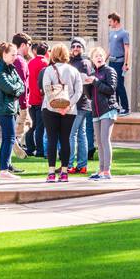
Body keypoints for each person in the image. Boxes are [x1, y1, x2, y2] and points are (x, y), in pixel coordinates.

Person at [40, 43, 83, 182]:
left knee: (52, 139)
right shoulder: (74, 70)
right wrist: (68, 105)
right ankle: (64, 172)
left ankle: (51, 172)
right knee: (65, 140)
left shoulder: (49, 70)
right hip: (70, 111)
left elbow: (46, 90)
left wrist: (56, 106)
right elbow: (79, 91)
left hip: (50, 109)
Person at [0, 41, 27, 180]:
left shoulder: (10, 68)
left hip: (10, 108)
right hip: (3, 109)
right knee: (9, 138)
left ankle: (7, 167)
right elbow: (10, 88)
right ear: (4, 54)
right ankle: (3, 171)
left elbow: (21, 85)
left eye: (16, 55)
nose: (15, 57)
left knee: (9, 138)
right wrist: (16, 90)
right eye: (12, 55)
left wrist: (16, 90)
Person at [88, 46, 119, 180]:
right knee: (99, 142)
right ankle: (101, 170)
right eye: (96, 56)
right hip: (96, 111)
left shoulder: (109, 71)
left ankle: (107, 171)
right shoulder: (93, 73)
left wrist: (96, 82)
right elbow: (89, 96)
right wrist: (86, 84)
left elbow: (111, 89)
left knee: (105, 140)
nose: (99, 58)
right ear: (92, 59)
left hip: (108, 109)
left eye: (101, 55)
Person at [68, 37, 95, 174]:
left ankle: (69, 165)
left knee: (71, 134)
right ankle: (82, 165)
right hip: (81, 104)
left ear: (83, 48)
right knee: (81, 134)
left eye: (79, 46)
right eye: (73, 46)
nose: (76, 48)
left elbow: (86, 82)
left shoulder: (84, 63)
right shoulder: (70, 62)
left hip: (80, 103)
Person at [10, 33, 32, 158]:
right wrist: (24, 103)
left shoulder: (13, 59)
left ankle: (17, 142)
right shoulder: (20, 60)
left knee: (28, 124)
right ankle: (16, 142)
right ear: (23, 45)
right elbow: (22, 84)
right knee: (25, 125)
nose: (29, 47)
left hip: (15, 100)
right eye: (29, 44)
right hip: (19, 101)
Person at [25, 42, 49, 158]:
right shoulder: (45, 63)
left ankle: (30, 147)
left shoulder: (30, 63)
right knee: (40, 126)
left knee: (33, 125)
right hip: (40, 99)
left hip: (32, 98)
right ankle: (39, 150)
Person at [107, 12, 132, 113]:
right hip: (111, 62)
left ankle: (125, 108)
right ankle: (115, 106)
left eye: (110, 21)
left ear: (116, 21)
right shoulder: (111, 33)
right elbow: (110, 49)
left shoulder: (124, 33)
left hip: (119, 62)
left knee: (120, 85)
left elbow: (127, 50)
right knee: (112, 85)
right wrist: (103, 60)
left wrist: (126, 64)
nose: (109, 23)